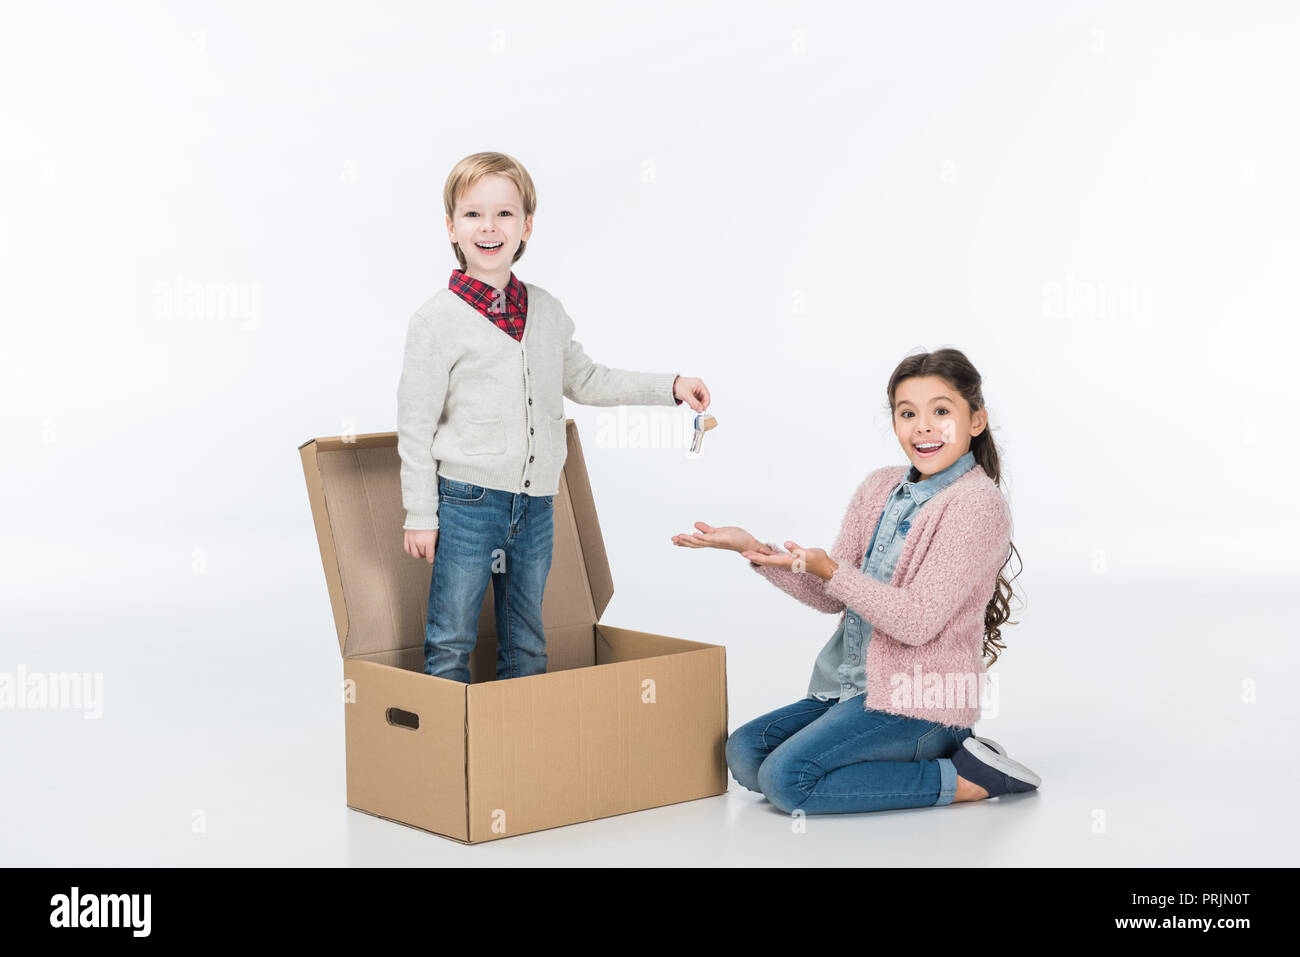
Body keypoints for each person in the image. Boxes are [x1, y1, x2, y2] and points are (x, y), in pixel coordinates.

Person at [671, 347, 1039, 812]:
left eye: (941, 411)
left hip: (921, 704)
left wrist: (832, 569)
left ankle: (968, 776)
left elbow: (917, 621)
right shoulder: (879, 487)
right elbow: (832, 596)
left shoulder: (975, 505)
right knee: (745, 753)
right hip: (854, 690)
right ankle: (905, 762)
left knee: (787, 781)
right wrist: (757, 551)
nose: (923, 426)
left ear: (976, 421)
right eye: (908, 413)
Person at [398, 151, 710, 682]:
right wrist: (420, 514)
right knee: (451, 639)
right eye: (473, 214)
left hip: (537, 503)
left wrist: (671, 388)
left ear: (527, 226)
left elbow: (587, 379)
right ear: (451, 226)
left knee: (527, 642)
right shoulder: (436, 321)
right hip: (467, 501)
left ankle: (521, 748)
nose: (490, 227)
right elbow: (415, 426)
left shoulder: (544, 310)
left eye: (505, 213)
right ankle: (450, 759)